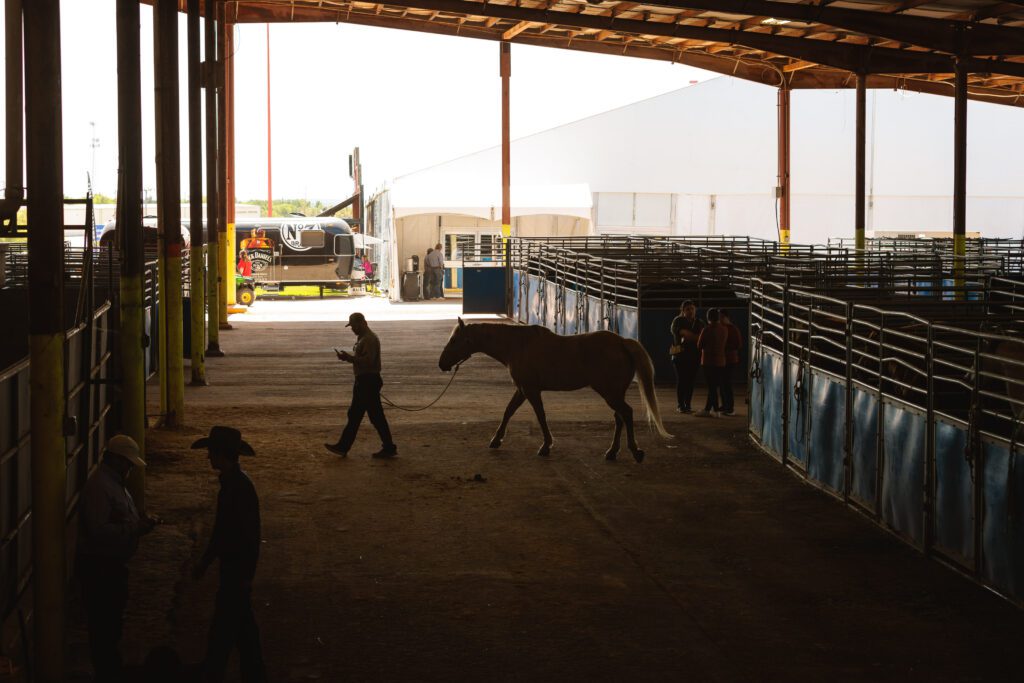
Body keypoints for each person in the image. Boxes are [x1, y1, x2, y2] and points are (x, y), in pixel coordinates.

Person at [191, 426, 267, 683]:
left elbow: (240, 535)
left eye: (211, 453)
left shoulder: (237, 488)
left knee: (224, 630)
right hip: (237, 570)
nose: (208, 457)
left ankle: (213, 672)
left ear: (220, 454)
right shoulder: (237, 484)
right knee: (242, 631)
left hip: (235, 570)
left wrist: (208, 561)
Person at [77, 434, 154, 682]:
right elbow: (98, 532)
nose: (131, 468)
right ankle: (107, 673)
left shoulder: (113, 483)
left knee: (111, 626)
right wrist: (134, 529)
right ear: (117, 460)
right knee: (104, 627)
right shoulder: (101, 488)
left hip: (111, 566)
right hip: (101, 568)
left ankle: (110, 670)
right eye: (128, 463)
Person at [325, 312, 398, 458]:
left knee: (357, 415)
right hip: (366, 381)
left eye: (354, 326)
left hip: (367, 381)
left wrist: (350, 358)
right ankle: (388, 447)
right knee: (372, 416)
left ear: (362, 323)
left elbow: (369, 361)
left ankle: (344, 446)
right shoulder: (364, 338)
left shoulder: (369, 339)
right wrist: (349, 359)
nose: (352, 329)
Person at [669, 300, 704, 413]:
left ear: (695, 310)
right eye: (688, 309)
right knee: (682, 380)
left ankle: (688, 404)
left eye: (692, 309)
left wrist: (692, 337)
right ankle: (680, 404)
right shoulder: (677, 321)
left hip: (695, 356)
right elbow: (685, 334)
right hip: (680, 356)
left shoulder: (699, 322)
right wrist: (695, 337)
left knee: (691, 381)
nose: (690, 311)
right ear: (683, 311)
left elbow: (699, 337)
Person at [696, 308, 729, 417]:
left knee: (712, 387)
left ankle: (715, 410)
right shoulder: (724, 329)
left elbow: (699, 345)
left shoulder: (706, 329)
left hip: (708, 361)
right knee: (714, 386)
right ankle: (707, 409)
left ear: (708, 318)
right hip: (721, 362)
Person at [720, 310, 743, 417]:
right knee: (723, 383)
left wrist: (724, 347)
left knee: (726, 383)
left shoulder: (732, 329)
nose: (720, 319)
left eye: (721, 317)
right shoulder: (725, 328)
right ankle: (725, 405)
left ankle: (729, 407)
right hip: (724, 359)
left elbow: (737, 344)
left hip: (729, 359)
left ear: (726, 317)